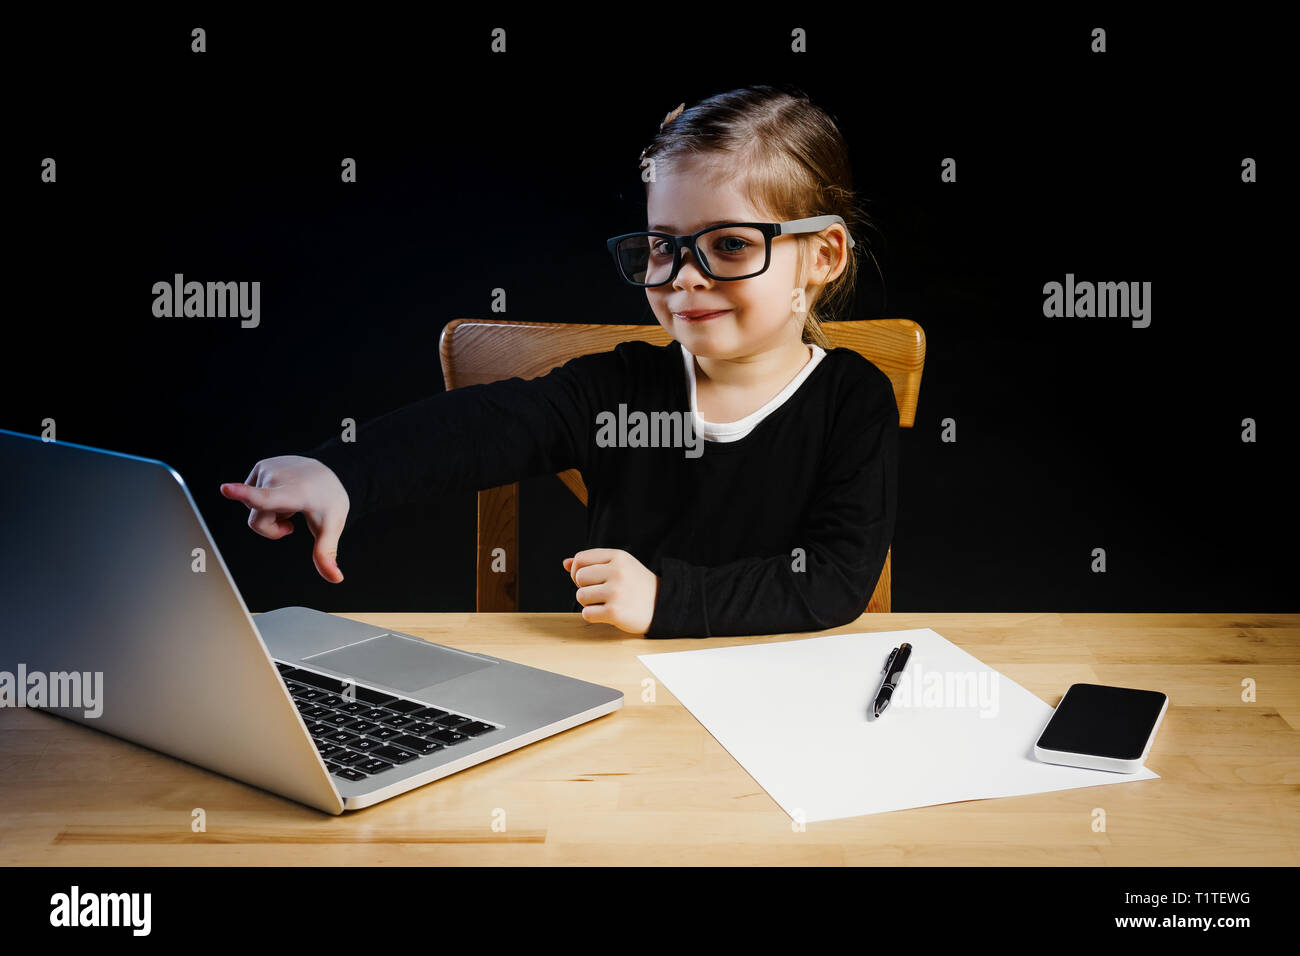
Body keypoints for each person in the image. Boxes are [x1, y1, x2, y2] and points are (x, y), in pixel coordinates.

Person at [220, 84, 899, 639]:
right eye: (663, 247)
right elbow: (483, 427)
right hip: (624, 692)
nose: (683, 276)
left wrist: (667, 599)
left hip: (788, 698)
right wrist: (341, 473)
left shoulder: (851, 399)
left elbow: (836, 579)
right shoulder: (622, 389)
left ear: (821, 256)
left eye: (727, 245)